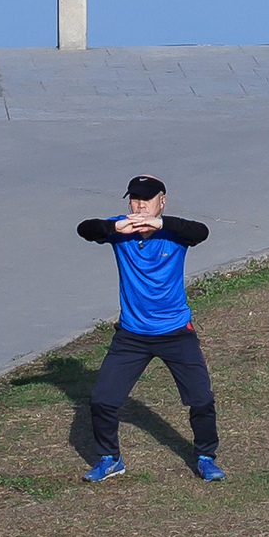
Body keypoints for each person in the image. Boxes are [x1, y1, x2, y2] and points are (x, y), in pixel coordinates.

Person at [74, 174, 222, 482]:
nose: (140, 206)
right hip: (132, 336)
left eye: (148, 199)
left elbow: (201, 232)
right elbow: (84, 229)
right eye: (134, 199)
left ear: (162, 201)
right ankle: (110, 459)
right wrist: (112, 228)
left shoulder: (175, 233)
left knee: (201, 399)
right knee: (102, 399)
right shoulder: (120, 230)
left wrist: (162, 225)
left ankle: (206, 456)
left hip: (176, 332)